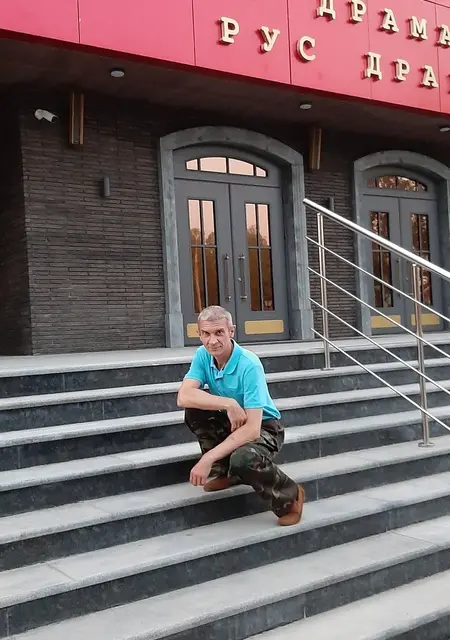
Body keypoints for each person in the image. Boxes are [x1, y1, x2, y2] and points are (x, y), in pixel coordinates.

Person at [177, 305, 305, 527]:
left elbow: (253, 429)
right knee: (195, 409)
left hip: (265, 427)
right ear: (199, 334)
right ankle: (226, 472)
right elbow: (184, 396)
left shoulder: (249, 364)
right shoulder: (202, 355)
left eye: (219, 332)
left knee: (244, 458)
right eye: (206, 334)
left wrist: (207, 458)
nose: (212, 341)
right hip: (232, 419)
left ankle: (290, 496)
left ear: (231, 331)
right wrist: (228, 403)